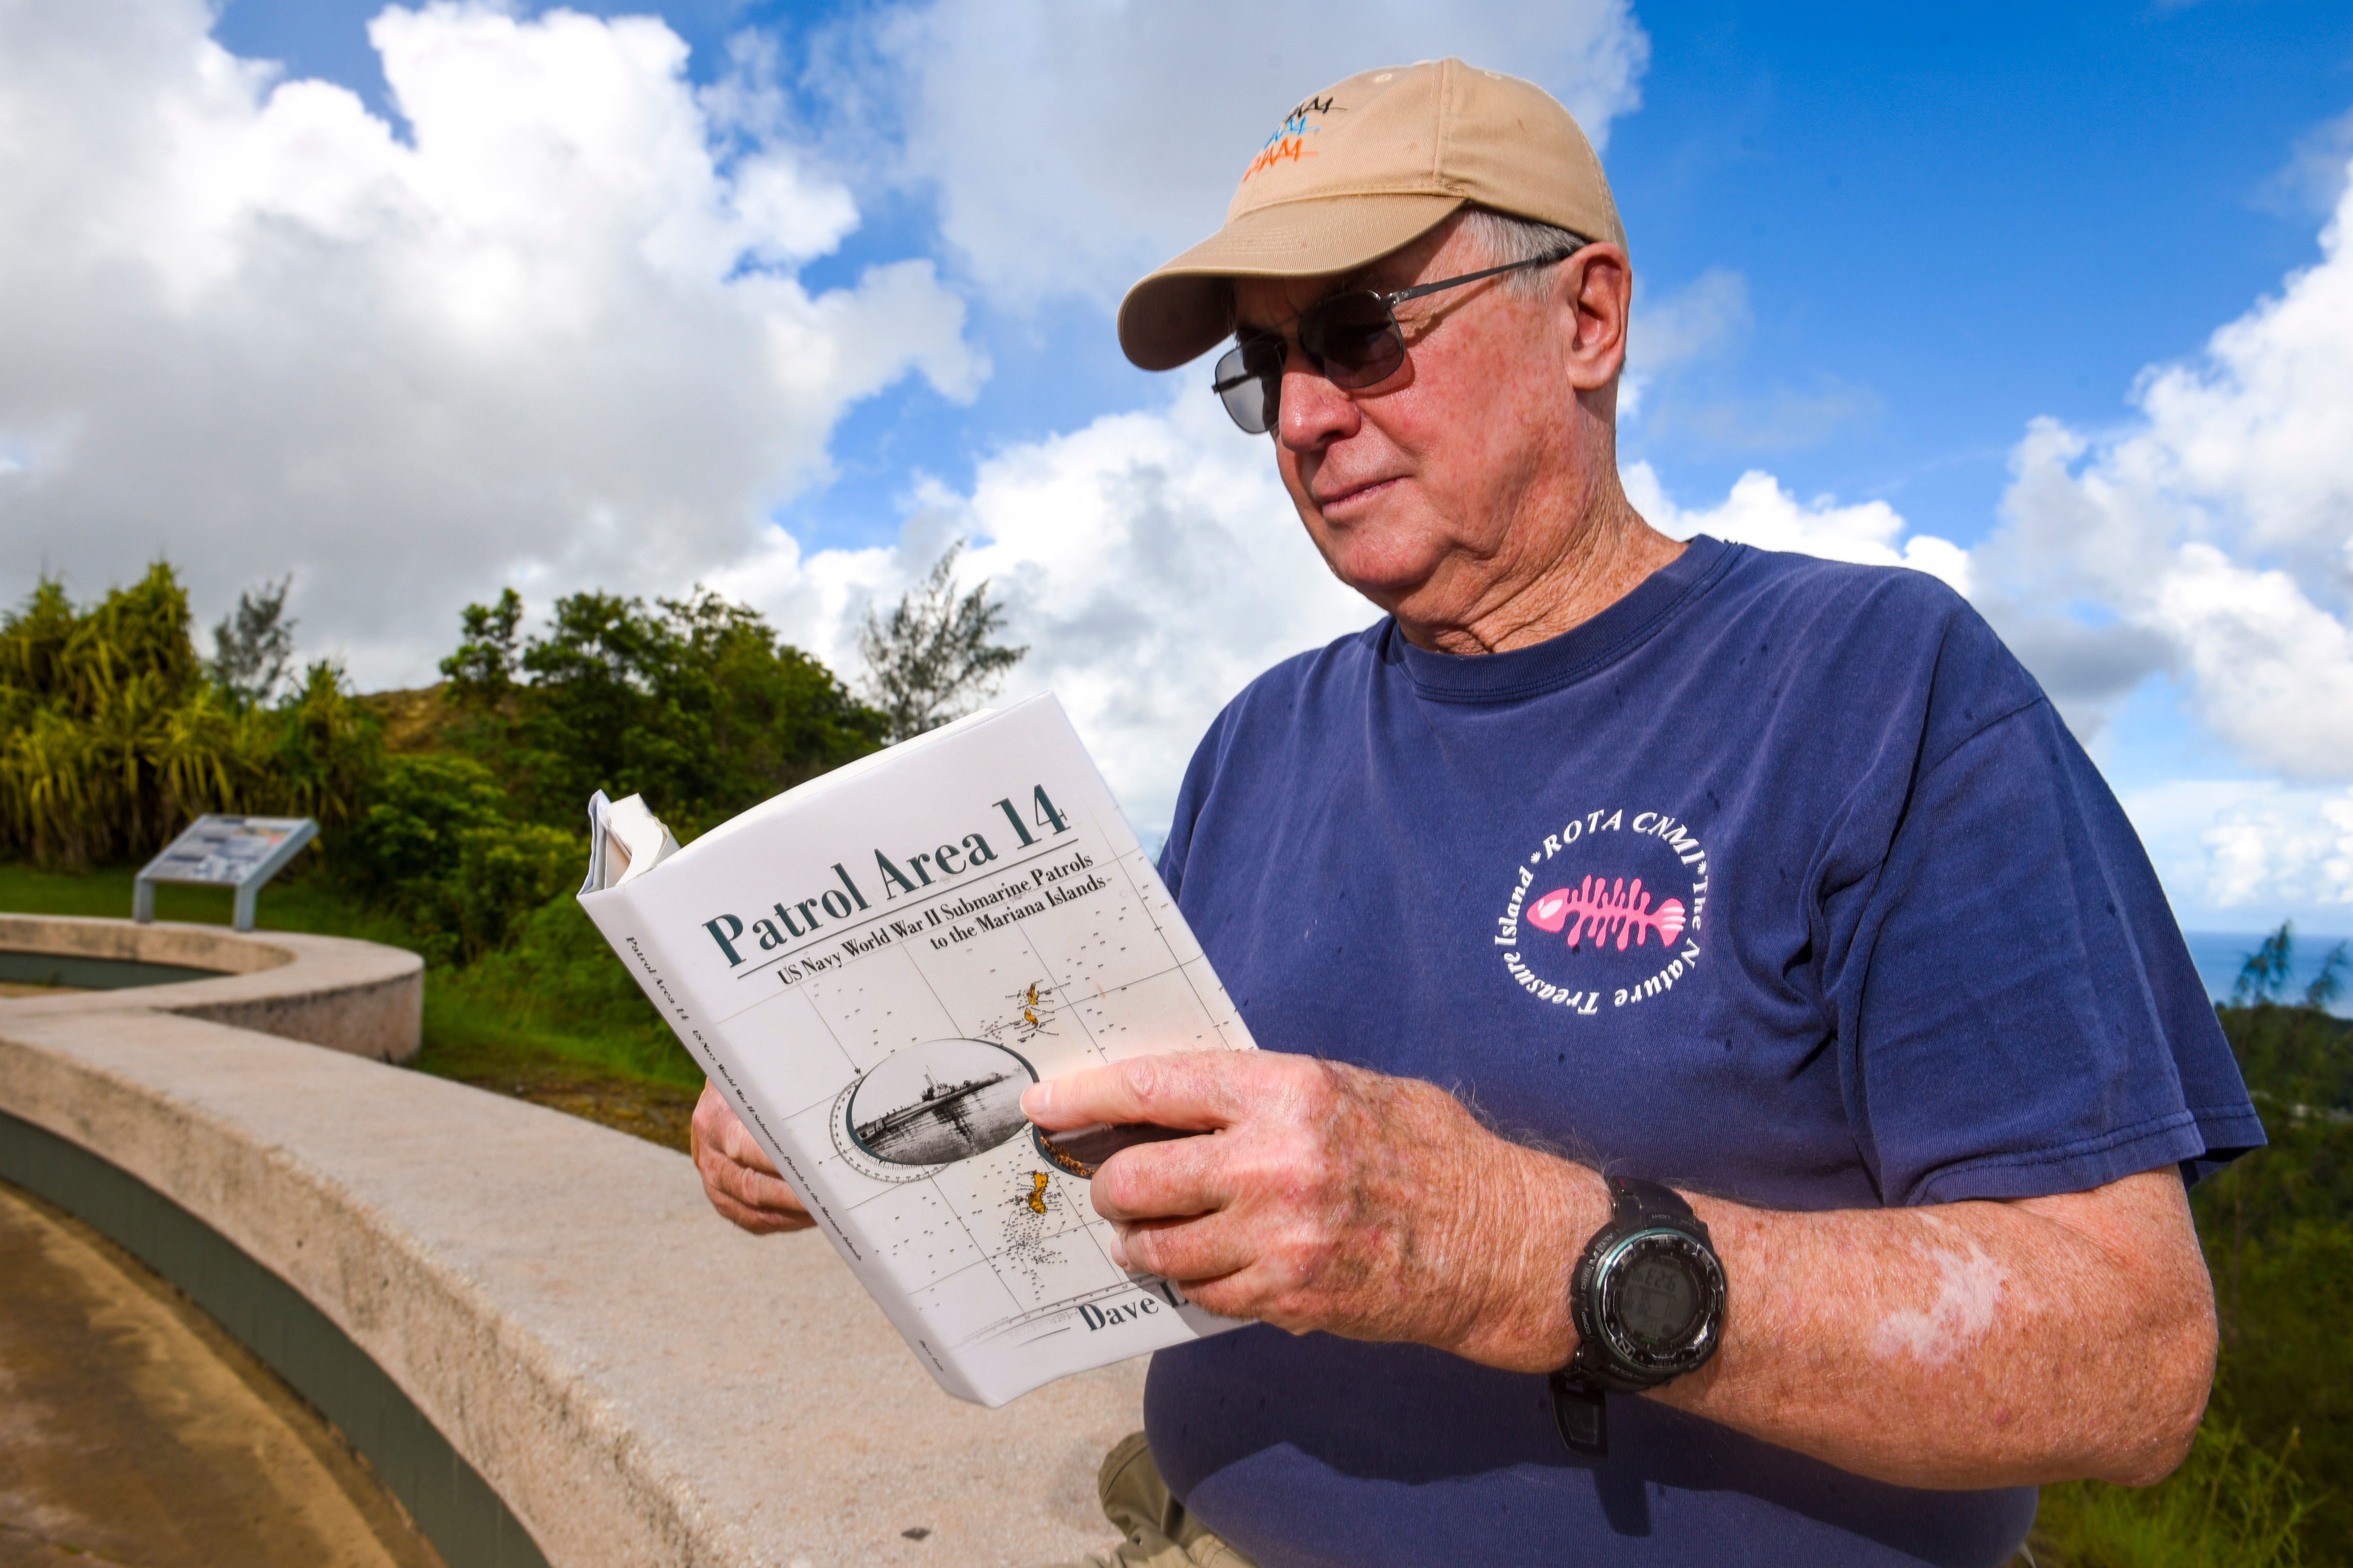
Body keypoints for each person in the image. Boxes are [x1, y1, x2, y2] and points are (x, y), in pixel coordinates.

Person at [690, 59, 2262, 1568]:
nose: (1304, 415)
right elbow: (1130, 1133)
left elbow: (2124, 1356)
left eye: (1362, 333)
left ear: (1588, 317)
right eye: (1268, 364)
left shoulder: (1875, 685)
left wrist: (1515, 1249)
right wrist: (837, 1113)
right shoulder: (1262, 736)